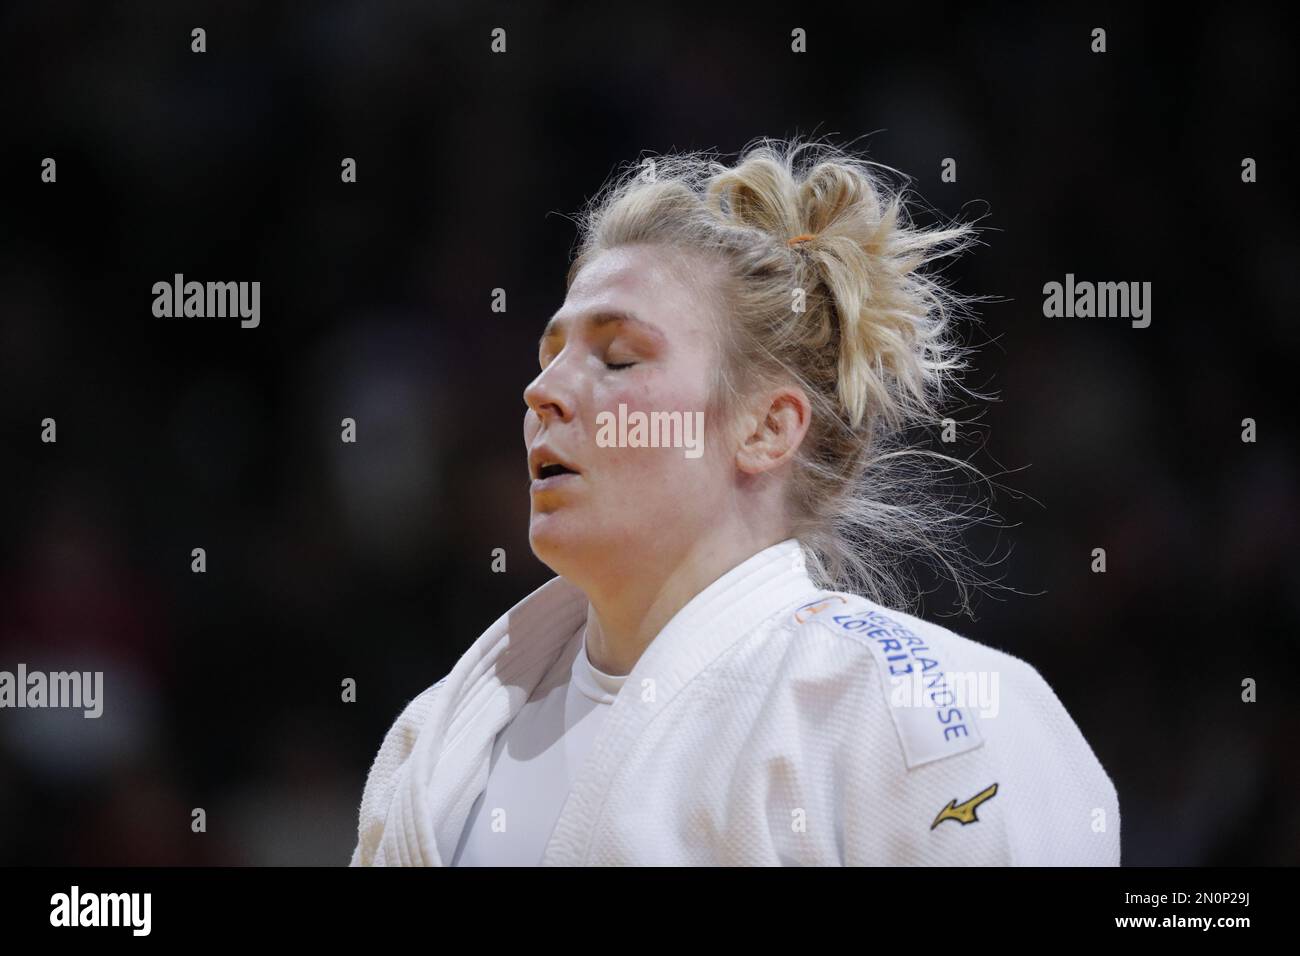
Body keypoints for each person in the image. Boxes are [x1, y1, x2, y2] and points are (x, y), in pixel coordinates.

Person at [349, 136, 1121, 866]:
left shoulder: (916, 711)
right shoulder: (440, 738)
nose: (542, 393)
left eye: (618, 358)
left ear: (766, 427)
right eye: (549, 358)